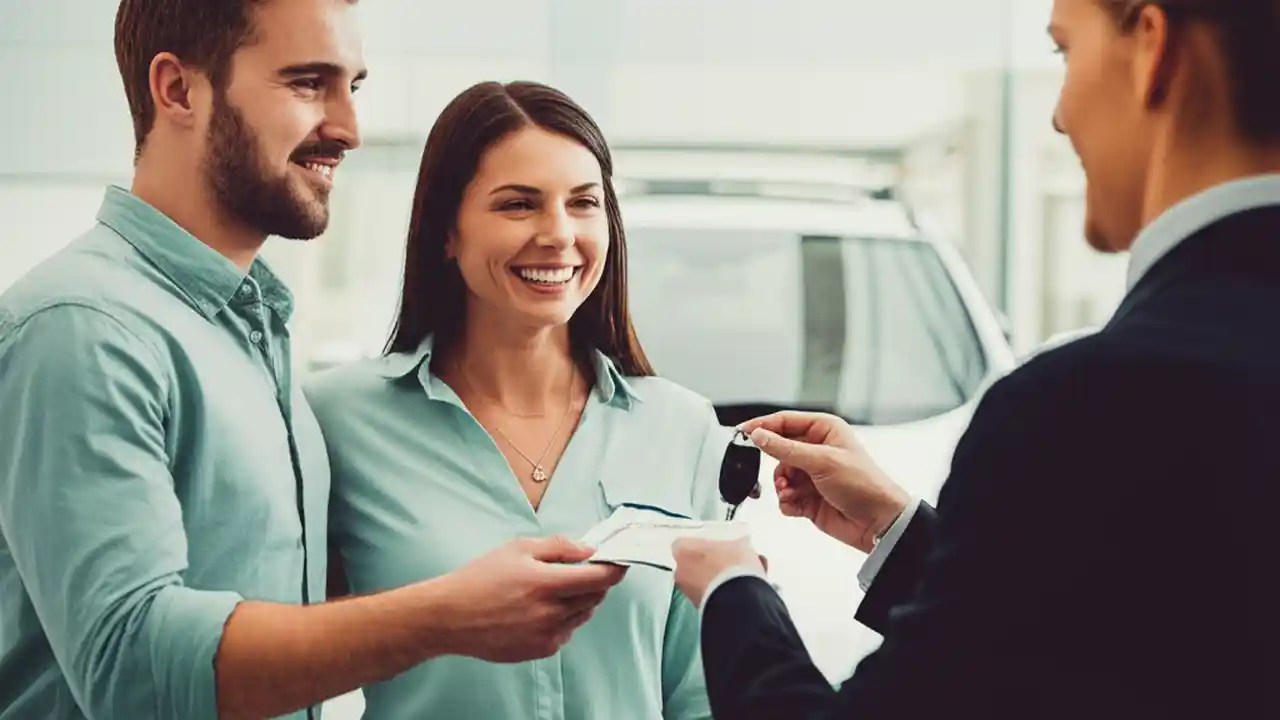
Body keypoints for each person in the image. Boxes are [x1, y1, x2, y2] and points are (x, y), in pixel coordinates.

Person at [0, 3, 625, 719]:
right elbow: (131, 669)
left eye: (352, 87)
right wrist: (445, 614)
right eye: (307, 84)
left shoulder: (249, 334)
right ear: (178, 90)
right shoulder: (83, 328)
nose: (349, 129)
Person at [671, 0, 1280, 717]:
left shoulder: (1086, 405)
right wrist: (896, 528)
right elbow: (1133, 641)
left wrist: (734, 592)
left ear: (1152, 47)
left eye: (1063, 51)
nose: (1058, 116)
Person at [302, 80, 727, 720]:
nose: (558, 234)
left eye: (583, 203)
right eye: (519, 205)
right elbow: (283, 655)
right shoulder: (335, 421)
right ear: (446, 231)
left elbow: (701, 692)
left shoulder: (683, 428)